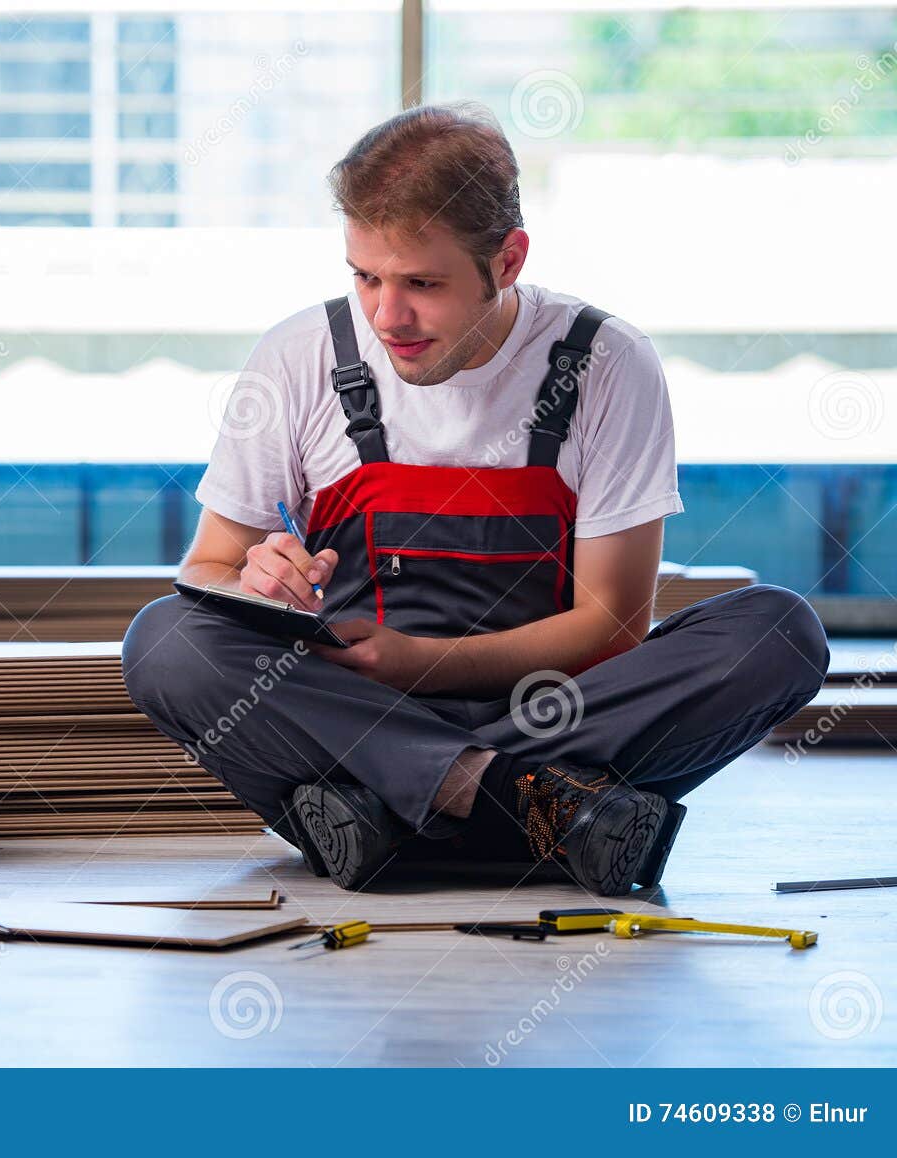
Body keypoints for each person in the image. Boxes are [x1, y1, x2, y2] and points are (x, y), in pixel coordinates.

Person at [121, 103, 828, 896]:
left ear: (509, 258)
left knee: (781, 631)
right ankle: (539, 814)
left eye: (423, 283)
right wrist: (257, 584)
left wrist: (419, 665)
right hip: (361, 710)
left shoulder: (605, 363)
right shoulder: (299, 355)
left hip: (551, 715)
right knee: (166, 640)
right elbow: (208, 567)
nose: (388, 316)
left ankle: (390, 819)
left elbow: (613, 625)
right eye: (365, 277)